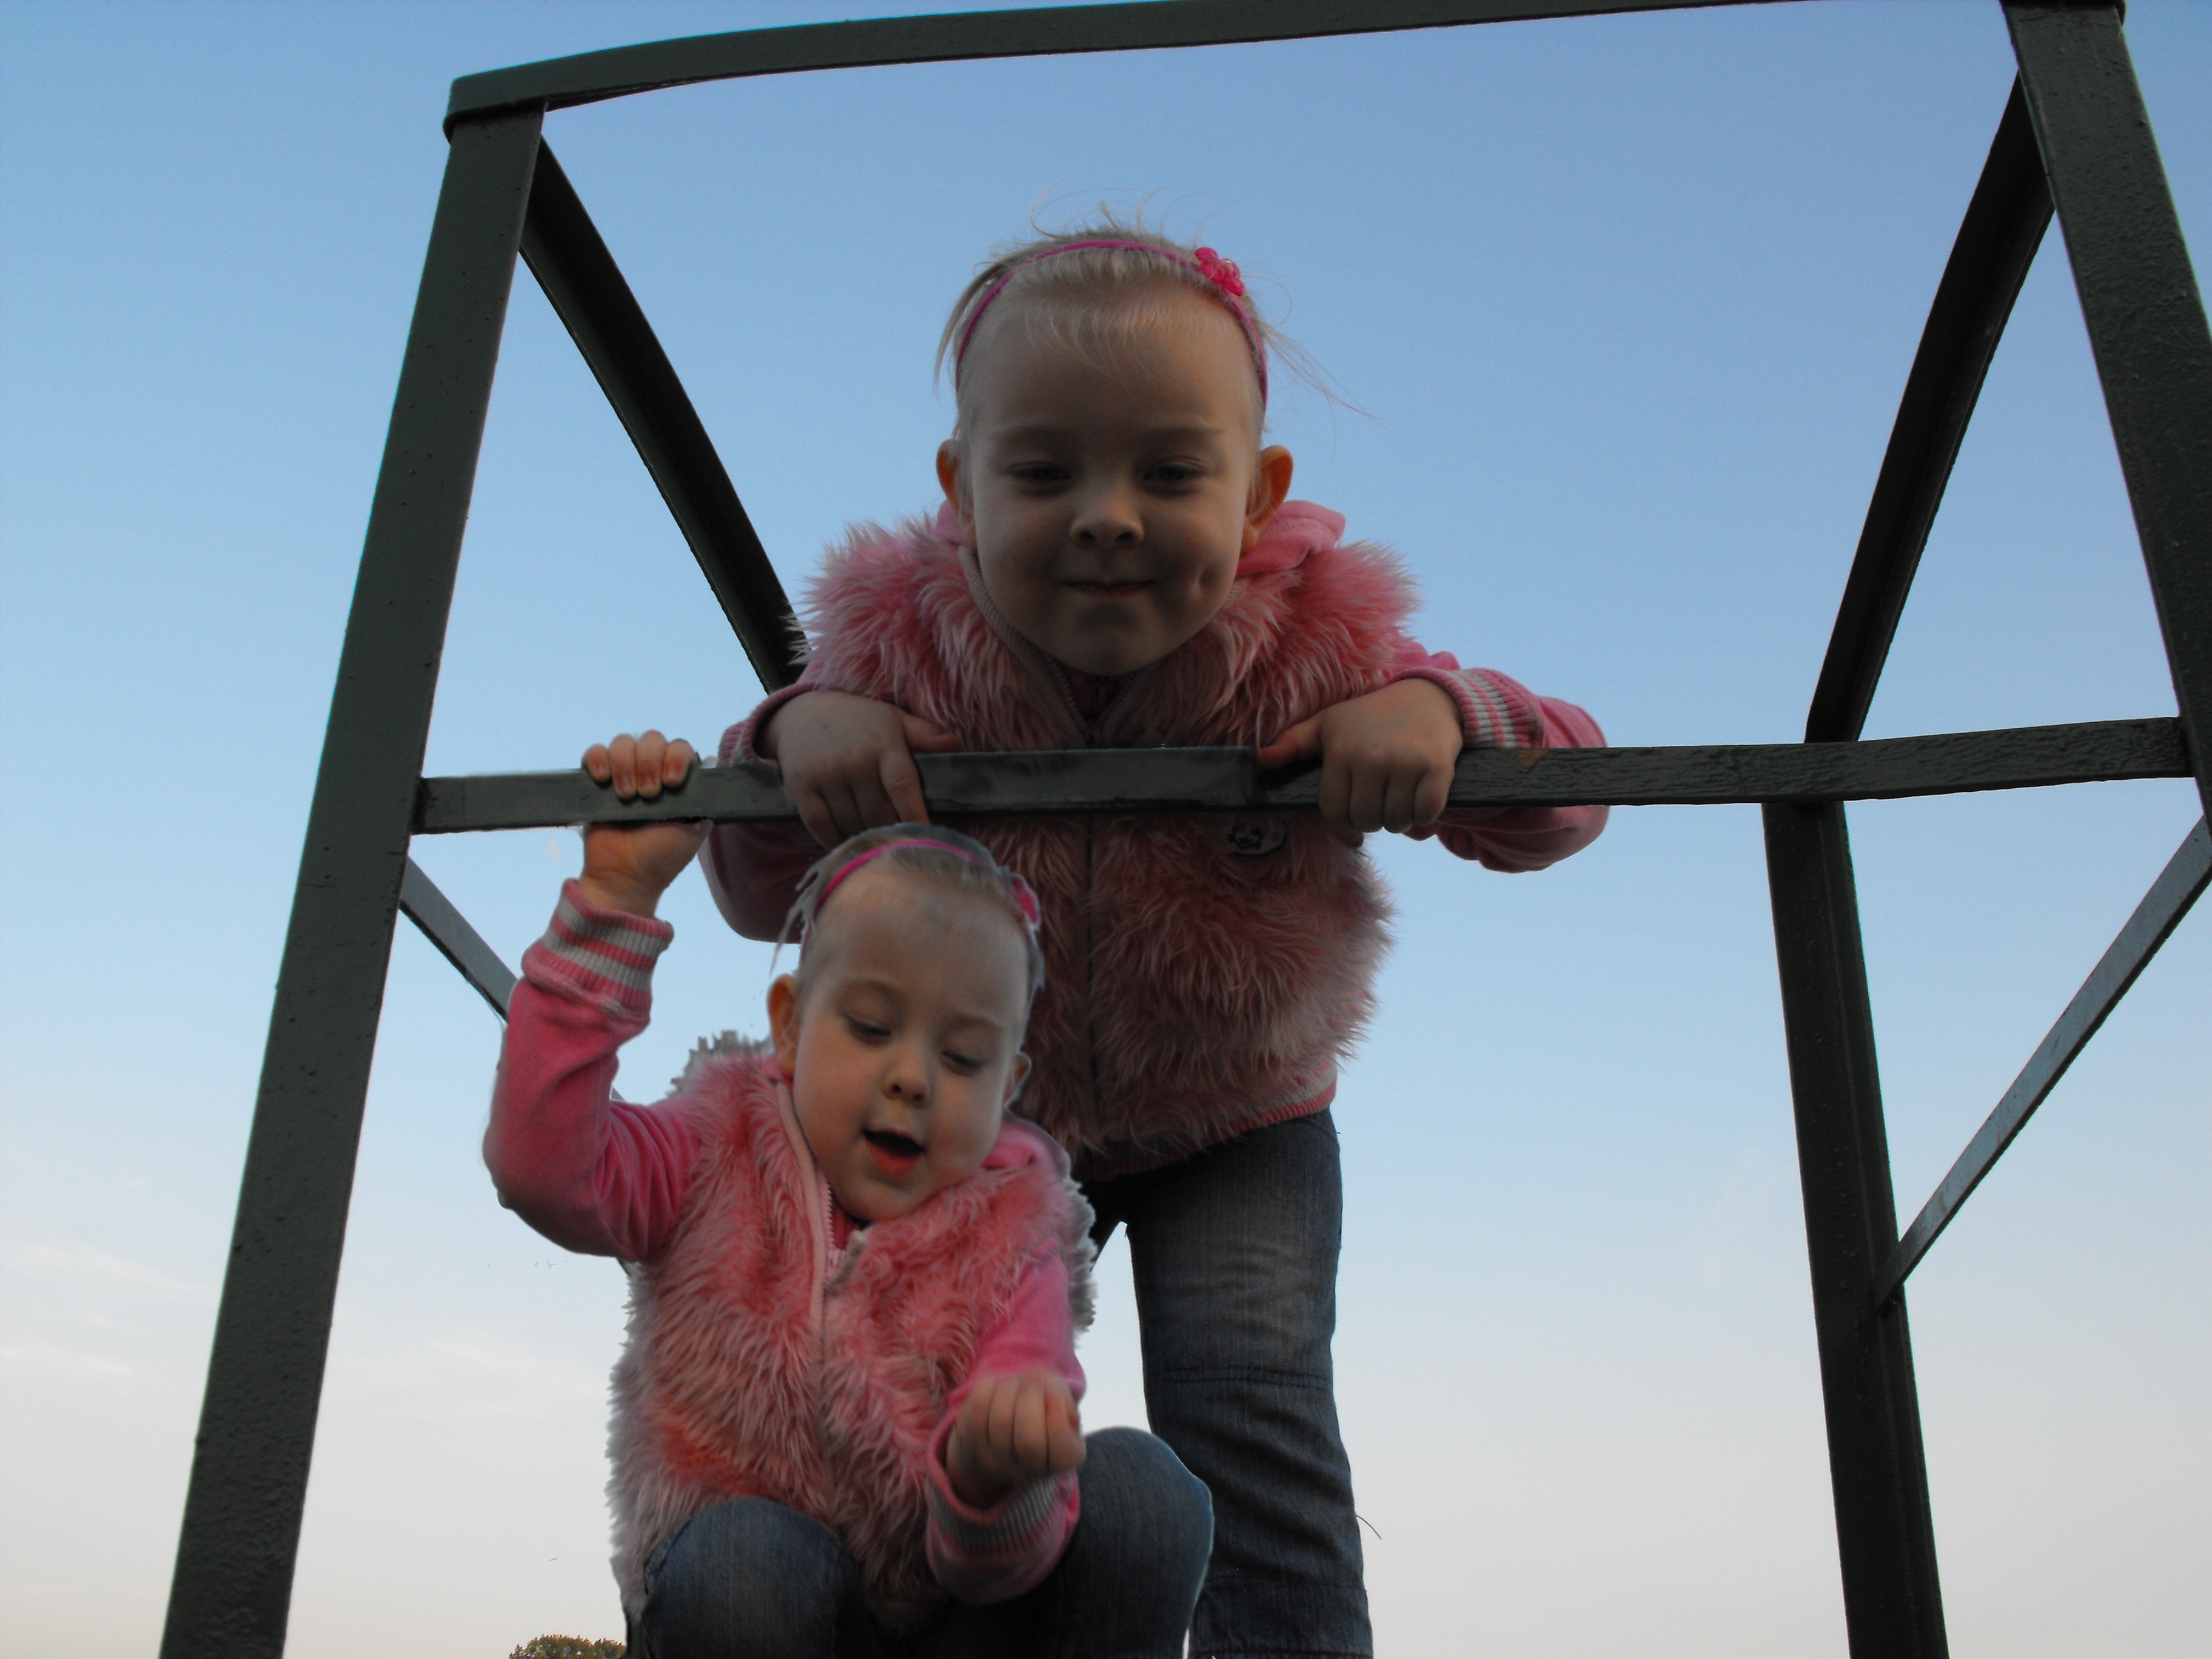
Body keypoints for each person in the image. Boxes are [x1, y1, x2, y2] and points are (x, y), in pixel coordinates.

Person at [686, 217, 1609, 1658]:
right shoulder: (898, 653)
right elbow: (753, 897)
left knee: (1252, 1407)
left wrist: (1444, 724)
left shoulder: (1319, 644)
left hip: (1239, 1121)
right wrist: (795, 738)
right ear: (962, 490)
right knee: (898, 1403)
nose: (1108, 515)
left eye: (1171, 472)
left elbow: (1570, 799)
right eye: (1045, 472)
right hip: (970, 1126)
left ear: (1256, 497)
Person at [486, 811, 1214, 1658]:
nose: (911, 1077)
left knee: (1147, 1492)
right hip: (745, 1597)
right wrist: (616, 903)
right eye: (871, 1028)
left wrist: (993, 1487)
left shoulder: (1017, 1239)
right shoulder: (713, 1141)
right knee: (744, 1565)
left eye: (965, 1058)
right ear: (791, 1024)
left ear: (1008, 1084)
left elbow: (993, 1572)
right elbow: (542, 1168)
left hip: (951, 1610)